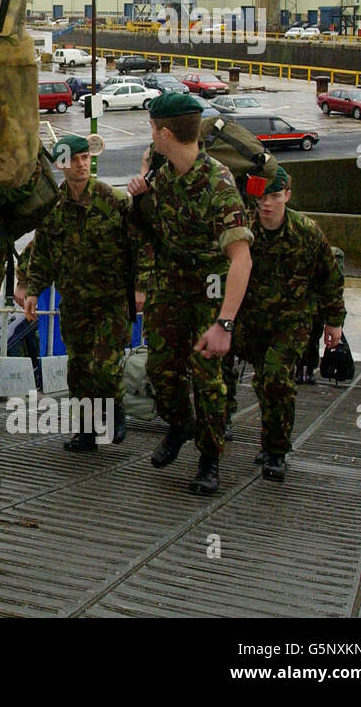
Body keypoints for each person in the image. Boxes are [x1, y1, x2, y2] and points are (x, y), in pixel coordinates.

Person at [127, 92, 252, 495]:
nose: (151, 134)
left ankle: (209, 458)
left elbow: (241, 259)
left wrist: (224, 324)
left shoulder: (218, 183)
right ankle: (180, 425)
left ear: (165, 132)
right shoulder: (163, 177)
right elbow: (150, 234)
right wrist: (140, 200)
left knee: (207, 376)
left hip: (210, 290)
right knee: (160, 367)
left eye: (151, 128)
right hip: (170, 284)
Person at [222, 167, 345, 480]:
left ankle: (276, 451)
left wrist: (334, 323)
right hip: (249, 321)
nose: (267, 203)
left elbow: (329, 278)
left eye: (275, 196)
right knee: (258, 380)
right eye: (262, 196)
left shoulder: (307, 232)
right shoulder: (243, 231)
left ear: (287, 196)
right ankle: (228, 424)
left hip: (291, 322)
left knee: (276, 378)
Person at [18, 134, 135, 449]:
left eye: (85, 158)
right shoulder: (53, 209)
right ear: (61, 165)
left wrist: (142, 288)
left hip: (112, 300)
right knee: (80, 369)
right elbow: (42, 253)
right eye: (74, 159)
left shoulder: (113, 200)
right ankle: (86, 432)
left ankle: (115, 412)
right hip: (75, 302)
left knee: (106, 366)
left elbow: (140, 246)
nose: (82, 164)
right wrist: (31, 289)